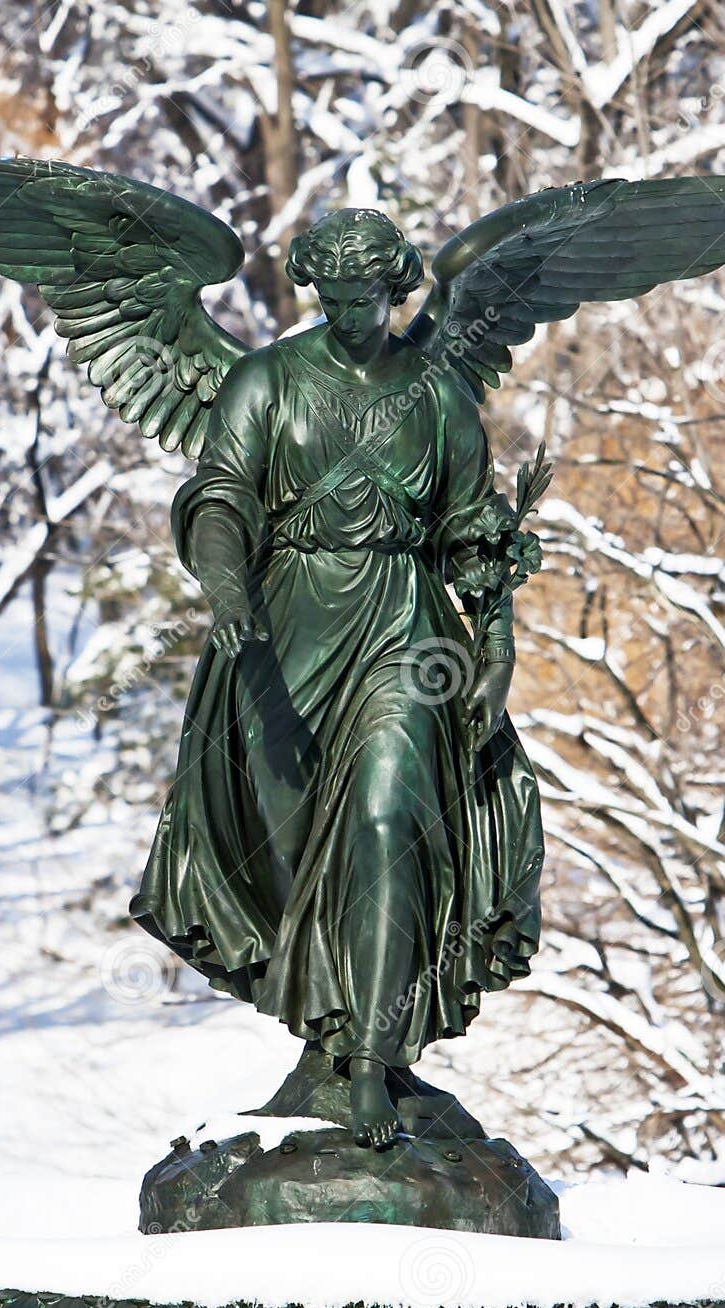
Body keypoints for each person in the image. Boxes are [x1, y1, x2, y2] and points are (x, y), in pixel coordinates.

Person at [132, 208, 543, 1147]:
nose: (351, 314)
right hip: (281, 632)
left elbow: (474, 532)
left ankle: (369, 1055)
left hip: (402, 625)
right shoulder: (265, 381)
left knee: (386, 818)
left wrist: (496, 646)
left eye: (368, 298)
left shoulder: (436, 395)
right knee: (283, 848)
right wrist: (229, 588)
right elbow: (221, 495)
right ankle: (325, 1037)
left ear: (396, 291)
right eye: (333, 297)